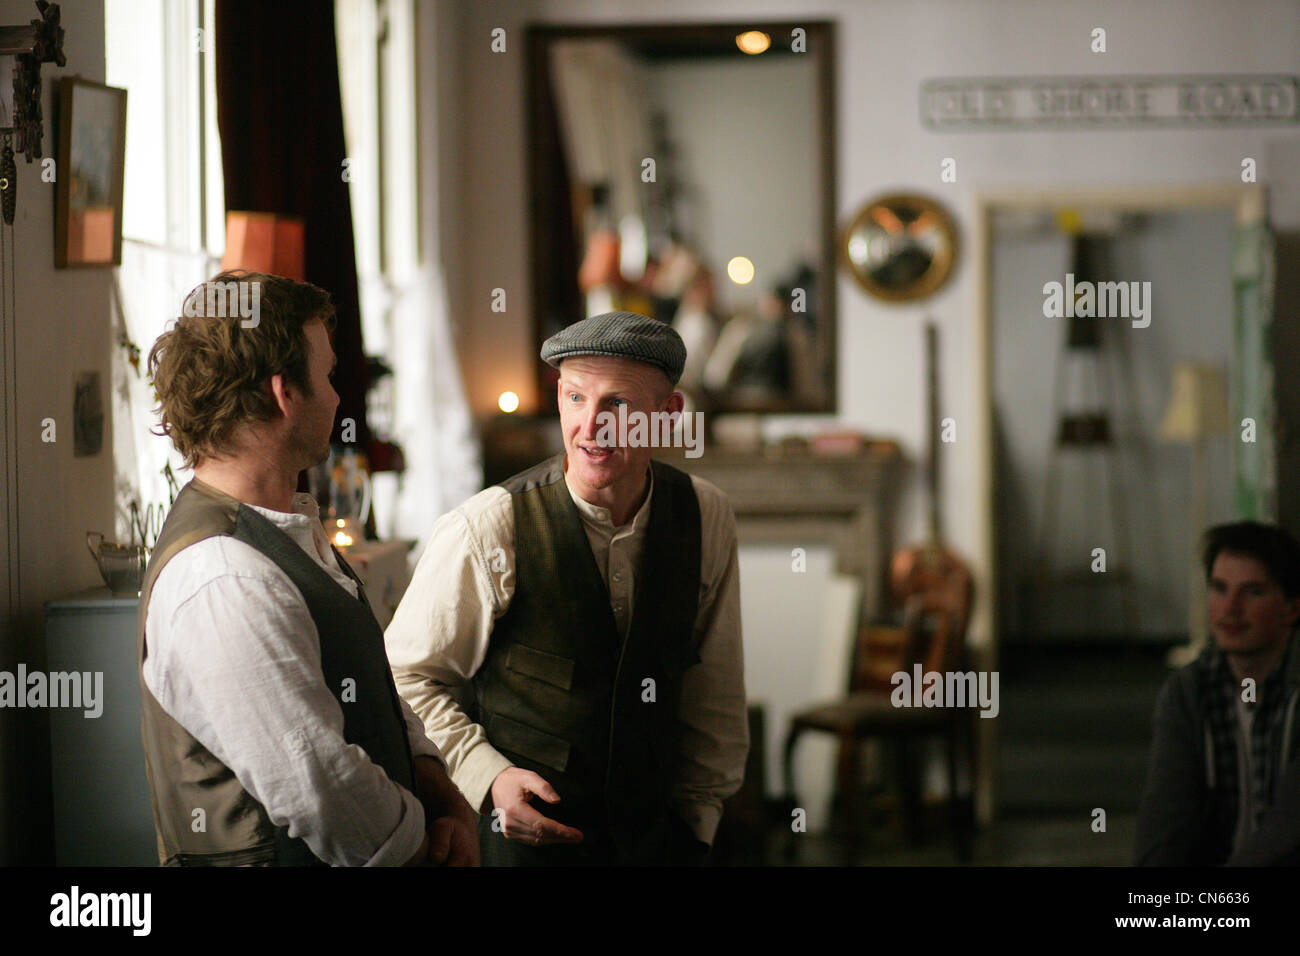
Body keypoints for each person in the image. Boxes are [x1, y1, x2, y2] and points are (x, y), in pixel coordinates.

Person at [140, 270, 478, 866]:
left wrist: (440, 789)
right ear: (283, 393)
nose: (338, 396)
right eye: (325, 375)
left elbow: (373, 689)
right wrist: (428, 847)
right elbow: (316, 785)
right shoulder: (222, 573)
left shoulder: (287, 528)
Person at [386, 311, 749, 865]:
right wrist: (489, 776)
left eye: (618, 405)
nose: (591, 425)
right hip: (518, 850)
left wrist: (698, 827)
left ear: (668, 415)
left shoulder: (705, 514)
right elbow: (405, 678)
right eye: (576, 398)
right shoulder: (488, 526)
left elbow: (714, 691)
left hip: (657, 845)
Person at [1136, 521, 1300, 865]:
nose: (1230, 609)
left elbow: (1289, 826)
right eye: (1219, 589)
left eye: (1253, 591)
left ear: (1291, 608)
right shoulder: (1189, 693)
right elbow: (1165, 819)